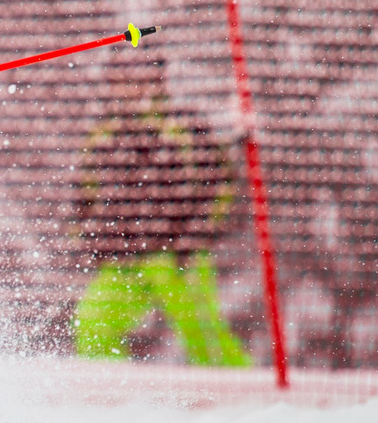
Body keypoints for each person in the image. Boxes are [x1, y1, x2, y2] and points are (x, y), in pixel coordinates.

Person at [73, 51, 251, 366]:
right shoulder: (103, 136)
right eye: (121, 82)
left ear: (157, 83)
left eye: (138, 82)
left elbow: (220, 184)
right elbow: (84, 198)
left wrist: (195, 237)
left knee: (203, 334)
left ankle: (243, 400)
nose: (129, 91)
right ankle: (112, 398)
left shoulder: (184, 129)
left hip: (177, 257)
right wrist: (91, 239)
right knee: (92, 324)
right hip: (124, 258)